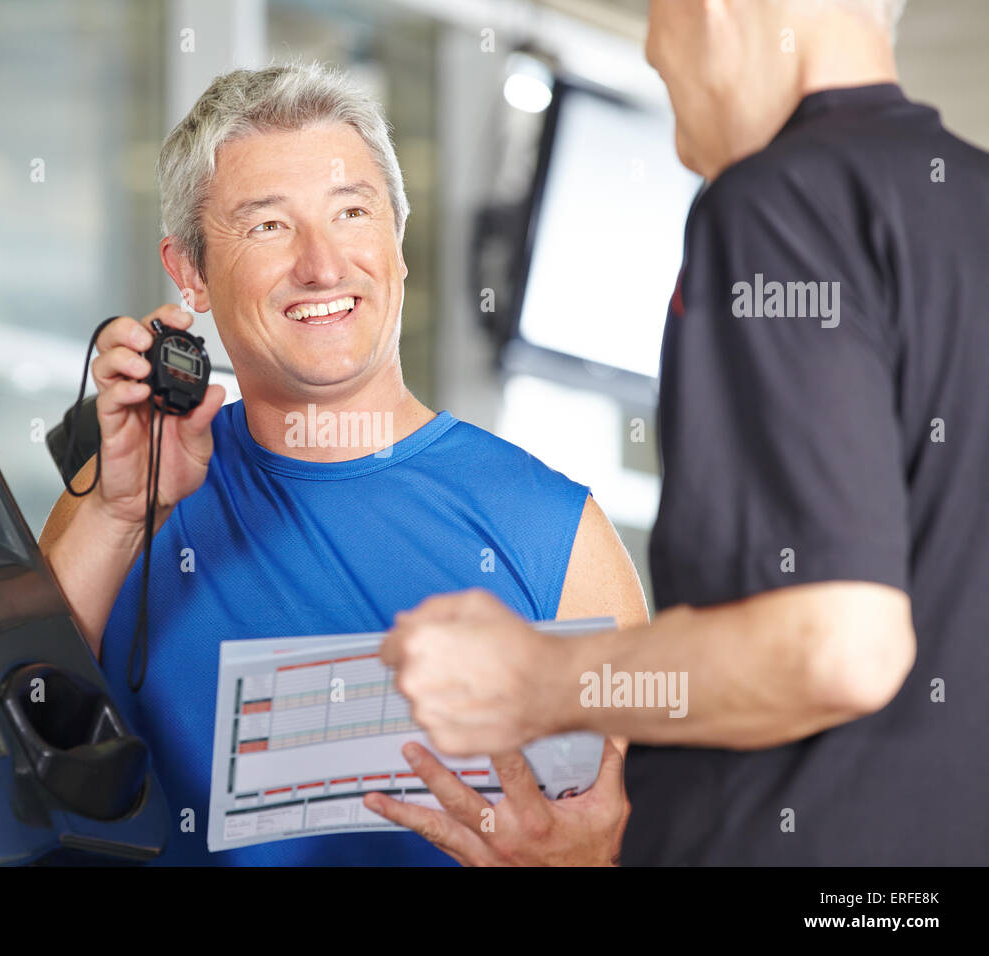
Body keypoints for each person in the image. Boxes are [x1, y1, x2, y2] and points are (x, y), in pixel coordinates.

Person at [380, 0, 989, 865]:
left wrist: (536, 681)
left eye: (659, 45)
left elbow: (838, 648)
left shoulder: (782, 199)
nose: (680, 141)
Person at [37, 61, 648, 866]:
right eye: (268, 226)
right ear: (190, 274)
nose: (322, 266)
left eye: (352, 213)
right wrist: (116, 514)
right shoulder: (126, 497)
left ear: (396, 244)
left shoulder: (555, 532)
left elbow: (652, 833)